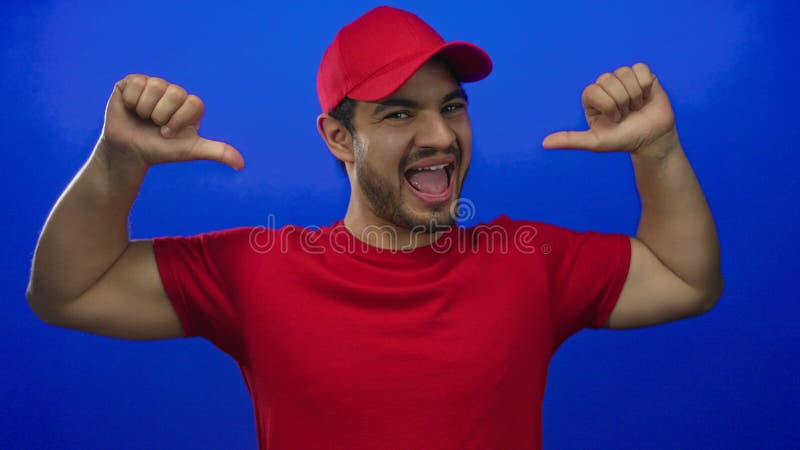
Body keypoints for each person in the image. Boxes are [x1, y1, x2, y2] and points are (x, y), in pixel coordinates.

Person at [25, 5, 723, 450]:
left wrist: (658, 150)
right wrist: (117, 162)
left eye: (451, 107)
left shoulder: (529, 259)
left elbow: (686, 280)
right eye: (398, 113)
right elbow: (68, 292)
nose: (439, 135)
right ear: (338, 137)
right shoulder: (257, 268)